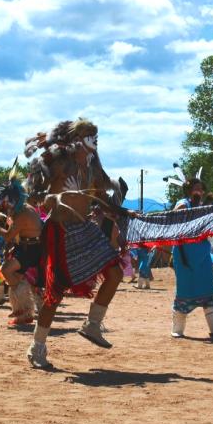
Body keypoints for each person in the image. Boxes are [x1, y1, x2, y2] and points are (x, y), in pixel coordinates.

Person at [24, 118, 135, 368]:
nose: (94, 140)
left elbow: (101, 195)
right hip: (60, 230)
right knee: (55, 293)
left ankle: (92, 324)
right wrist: (49, 197)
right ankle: (37, 347)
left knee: (115, 272)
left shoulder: (93, 165)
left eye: (96, 136)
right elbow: (33, 192)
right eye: (90, 135)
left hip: (84, 228)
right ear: (77, 138)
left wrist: (122, 210)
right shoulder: (60, 160)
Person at [0, 164, 42, 326]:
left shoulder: (23, 213)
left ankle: (23, 309)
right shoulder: (22, 210)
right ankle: (24, 311)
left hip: (31, 249)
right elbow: (12, 233)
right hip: (25, 247)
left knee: (6, 271)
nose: (6, 205)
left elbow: (9, 236)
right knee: (13, 275)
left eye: (7, 202)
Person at [169, 174, 213, 340]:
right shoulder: (182, 203)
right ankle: (177, 329)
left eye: (201, 188)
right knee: (185, 288)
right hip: (185, 254)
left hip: (202, 254)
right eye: (196, 188)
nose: (199, 191)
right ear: (189, 190)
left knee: (208, 288)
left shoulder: (203, 206)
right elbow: (174, 215)